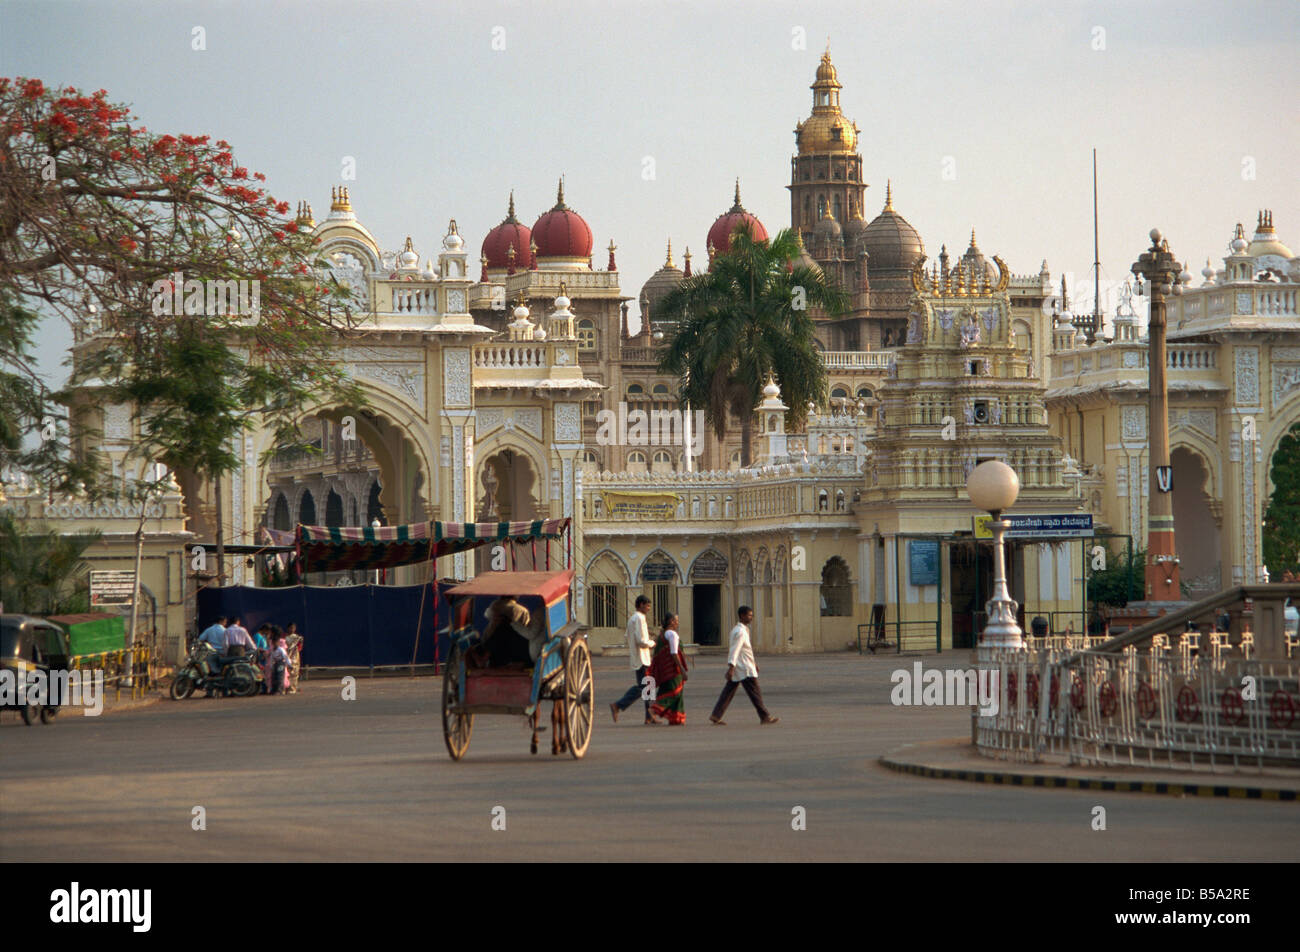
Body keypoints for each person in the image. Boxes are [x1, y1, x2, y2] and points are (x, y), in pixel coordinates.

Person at [710, 605, 778, 726]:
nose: (751, 618)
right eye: (749, 615)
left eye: (751, 615)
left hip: (742, 666)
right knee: (755, 692)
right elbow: (735, 650)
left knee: (728, 691)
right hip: (744, 668)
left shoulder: (740, 630)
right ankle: (765, 716)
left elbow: (746, 650)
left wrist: (754, 663)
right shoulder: (740, 632)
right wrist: (731, 667)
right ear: (742, 616)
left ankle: (716, 715)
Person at [611, 595, 660, 724]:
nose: (648, 608)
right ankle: (618, 705)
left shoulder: (633, 618)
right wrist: (652, 643)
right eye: (647, 605)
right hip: (642, 658)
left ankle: (649, 716)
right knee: (644, 687)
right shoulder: (639, 618)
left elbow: (629, 635)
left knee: (649, 686)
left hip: (639, 658)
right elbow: (641, 641)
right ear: (640, 605)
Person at [648, 613, 688, 725]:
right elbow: (674, 653)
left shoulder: (662, 635)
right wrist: (682, 669)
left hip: (665, 670)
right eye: (676, 620)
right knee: (674, 692)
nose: (677, 623)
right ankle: (654, 710)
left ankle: (676, 717)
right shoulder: (672, 635)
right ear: (671, 621)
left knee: (674, 691)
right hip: (673, 669)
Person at [482, 596, 536, 667]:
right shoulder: (522, 611)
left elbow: (487, 615)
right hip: (515, 648)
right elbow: (526, 627)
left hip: (499, 649)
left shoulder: (494, 606)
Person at [284, 623, 303, 693]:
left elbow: (300, 647)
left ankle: (293, 687)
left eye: (293, 628)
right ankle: (286, 686)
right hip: (286, 655)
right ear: (287, 628)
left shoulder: (297, 637)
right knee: (287, 672)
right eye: (290, 628)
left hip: (294, 656)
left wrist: (299, 644)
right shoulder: (284, 637)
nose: (292, 629)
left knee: (294, 672)